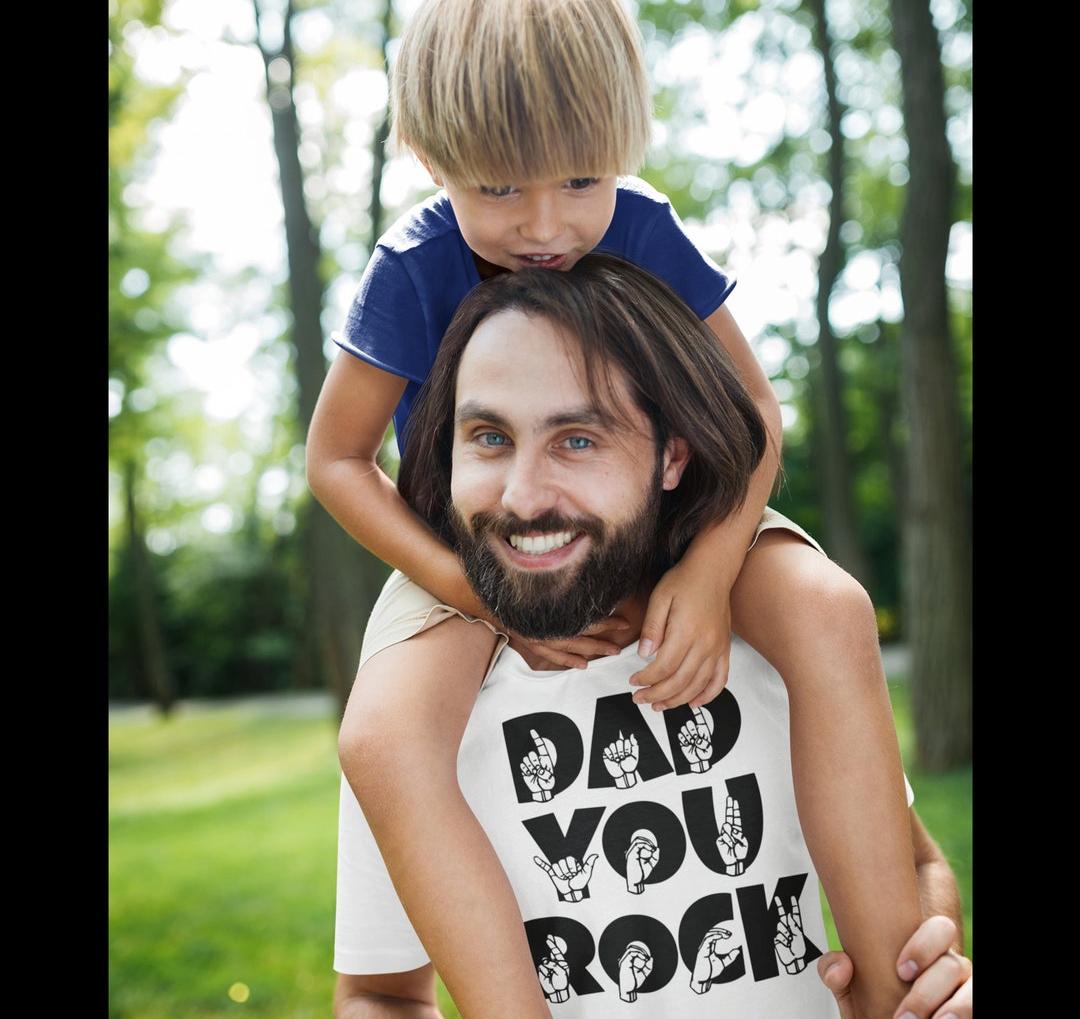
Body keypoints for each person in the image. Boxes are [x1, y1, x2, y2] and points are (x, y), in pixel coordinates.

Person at [308, 0, 926, 1014]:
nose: (545, 225)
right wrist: (474, 595)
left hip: (684, 510)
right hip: (469, 540)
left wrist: (708, 569)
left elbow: (756, 417)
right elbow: (335, 461)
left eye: (580, 179)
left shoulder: (643, 226)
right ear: (425, 155)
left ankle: (889, 986)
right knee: (382, 732)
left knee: (827, 608)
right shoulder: (412, 267)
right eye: (498, 188)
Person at [332, 255, 971, 1017]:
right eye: (490, 438)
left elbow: (917, 860)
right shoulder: (418, 707)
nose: (523, 496)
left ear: (673, 455)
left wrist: (928, 964)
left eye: (578, 440)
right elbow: (379, 995)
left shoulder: (778, 640)